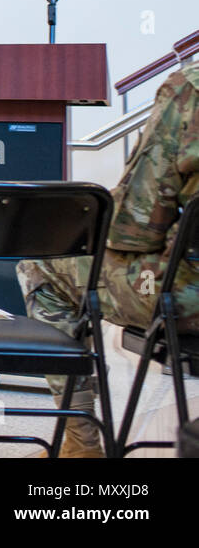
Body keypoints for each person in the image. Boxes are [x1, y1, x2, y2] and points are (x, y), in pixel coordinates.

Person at [18, 65, 199, 457]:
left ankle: (81, 446)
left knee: (44, 262)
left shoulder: (191, 86)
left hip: (191, 296)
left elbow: (135, 225)